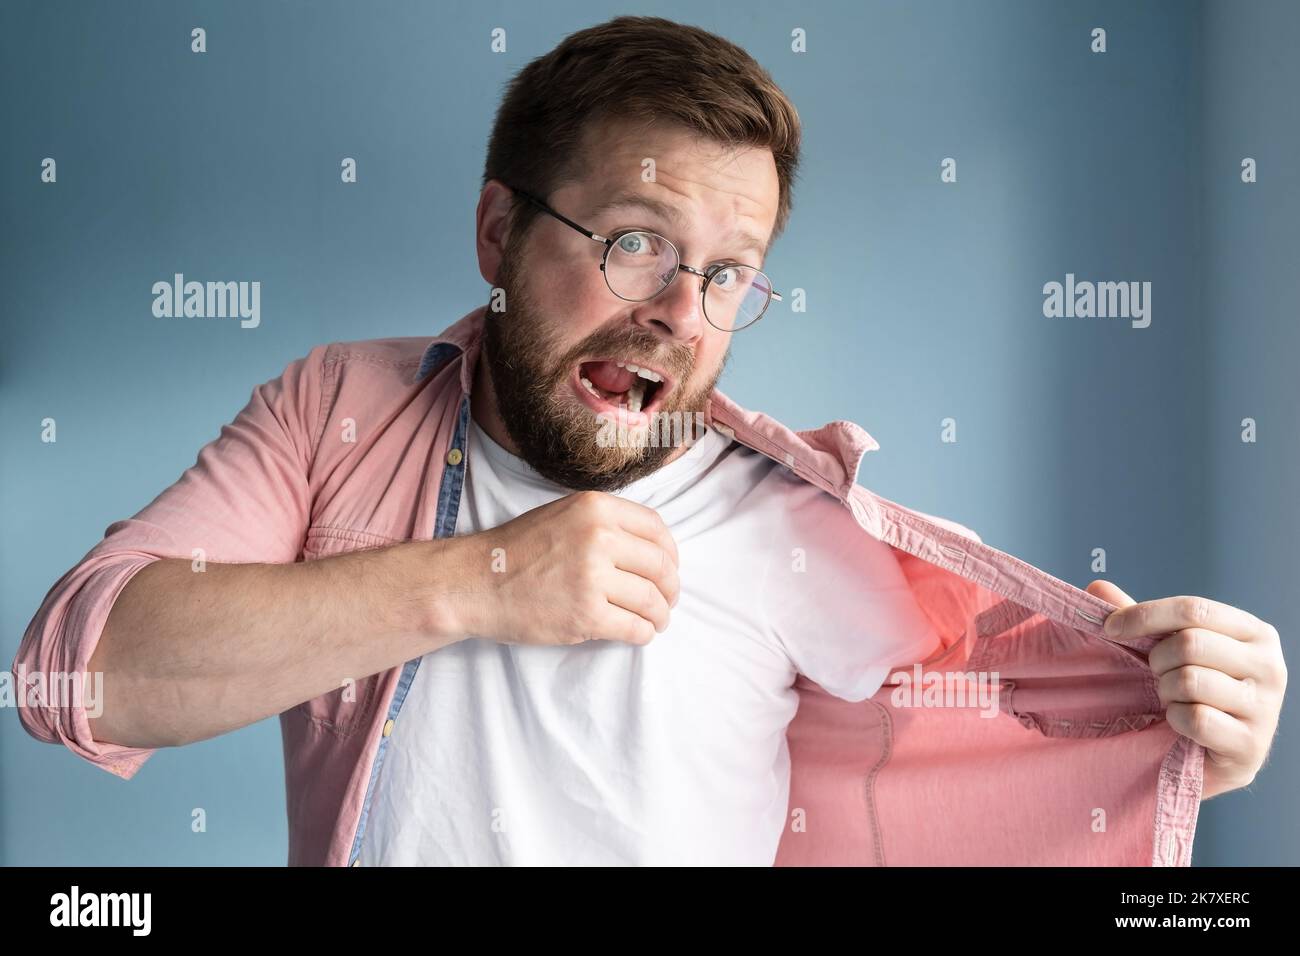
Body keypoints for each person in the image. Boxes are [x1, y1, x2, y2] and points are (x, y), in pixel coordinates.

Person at [14, 15, 1286, 866]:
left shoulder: (795, 524)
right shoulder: (340, 409)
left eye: (730, 275)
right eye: (635, 244)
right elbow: (73, 675)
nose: (682, 313)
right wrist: (483, 578)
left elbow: (1009, 766)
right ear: (498, 235)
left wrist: (1179, 729)